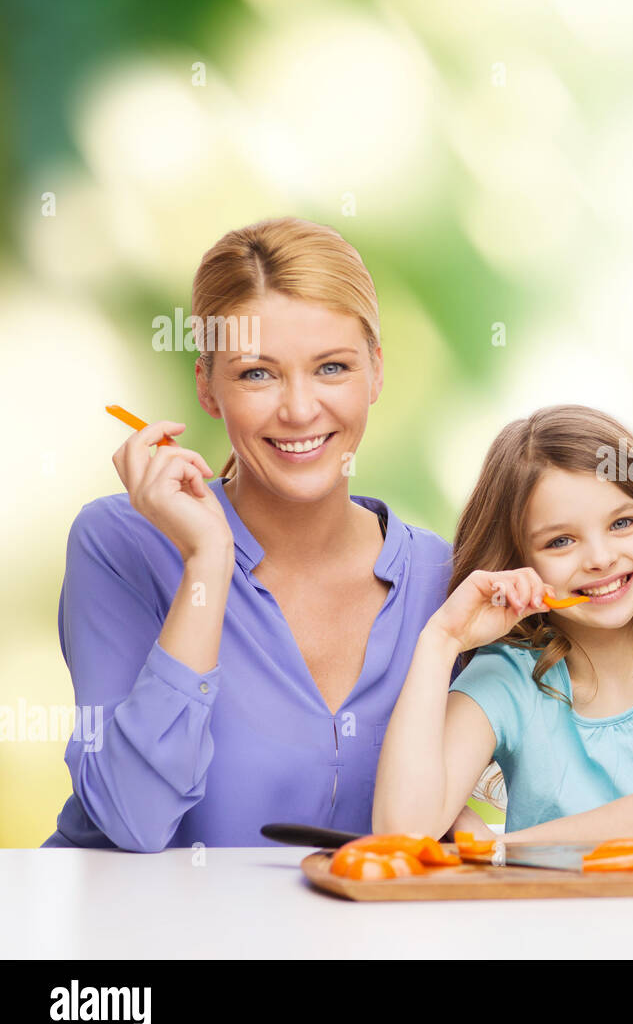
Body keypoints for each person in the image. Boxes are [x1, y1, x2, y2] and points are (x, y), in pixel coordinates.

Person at [45, 217, 454, 851]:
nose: (297, 409)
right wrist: (208, 562)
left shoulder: (444, 581)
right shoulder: (120, 542)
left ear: (375, 371)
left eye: (332, 368)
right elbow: (133, 819)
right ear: (207, 385)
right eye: (257, 374)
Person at [373, 405, 633, 842]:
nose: (600, 558)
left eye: (622, 522)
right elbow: (402, 833)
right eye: (561, 541)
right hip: (551, 914)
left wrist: (498, 849)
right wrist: (441, 639)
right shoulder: (509, 673)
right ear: (519, 559)